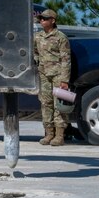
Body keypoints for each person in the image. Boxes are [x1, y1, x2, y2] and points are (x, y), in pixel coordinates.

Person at [33, 8, 71, 146]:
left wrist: (64, 80)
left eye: (45, 19)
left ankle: (60, 135)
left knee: (58, 105)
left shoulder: (61, 37)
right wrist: (37, 61)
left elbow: (66, 59)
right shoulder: (38, 37)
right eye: (41, 19)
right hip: (44, 75)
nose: (42, 21)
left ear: (53, 20)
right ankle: (49, 133)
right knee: (45, 103)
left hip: (58, 75)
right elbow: (34, 52)